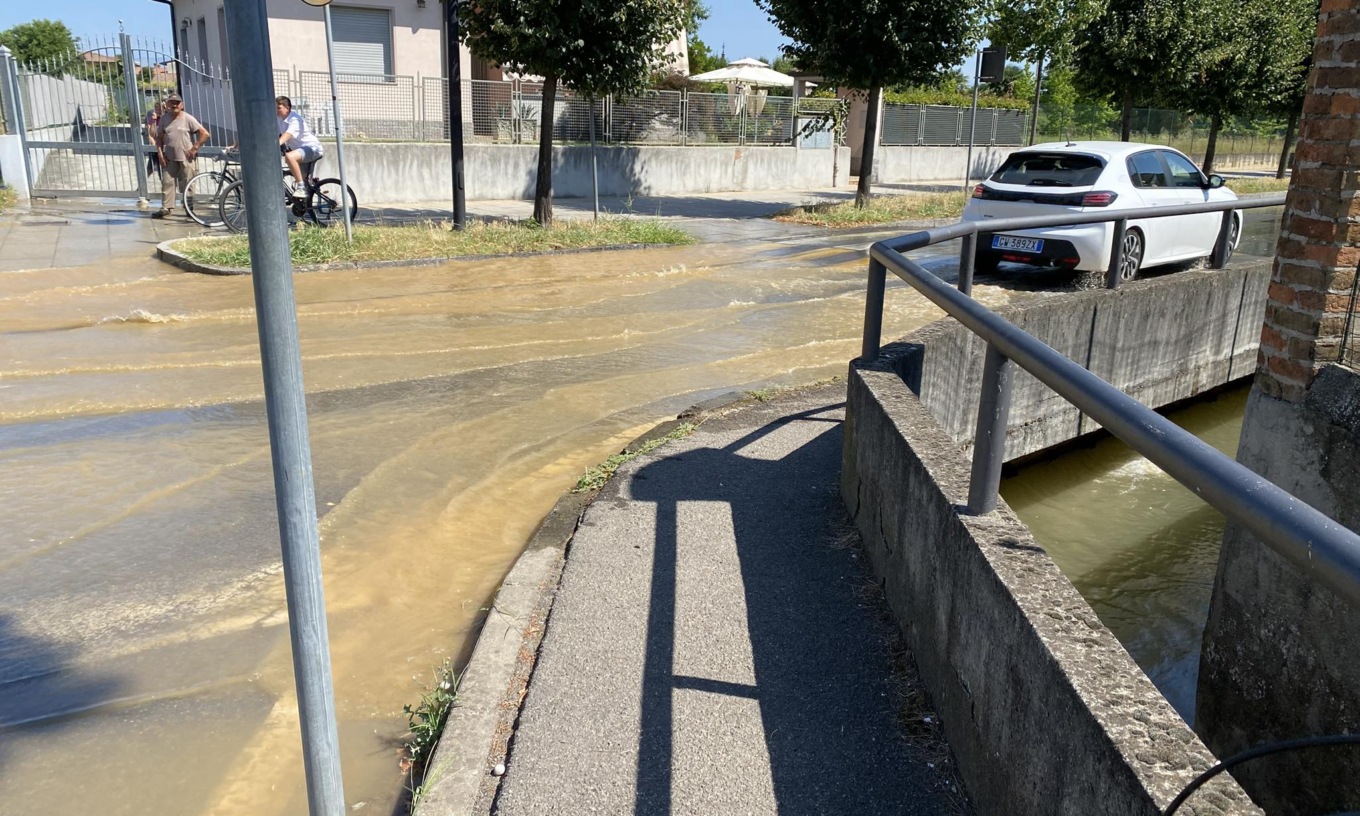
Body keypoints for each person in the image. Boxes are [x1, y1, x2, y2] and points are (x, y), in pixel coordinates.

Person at [151, 93, 210, 219]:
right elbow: (159, 138)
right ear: (167, 105)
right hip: (169, 157)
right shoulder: (164, 119)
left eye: (177, 103)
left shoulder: (188, 118)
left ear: (181, 105)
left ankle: (189, 209)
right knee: (167, 182)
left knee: (188, 184)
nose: (174, 105)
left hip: (186, 158)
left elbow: (205, 134)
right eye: (171, 102)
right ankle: (166, 208)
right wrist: (160, 154)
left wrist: (194, 148)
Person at [276, 96, 324, 196]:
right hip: (298, 150)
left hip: (312, 148)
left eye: (278, 107)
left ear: (287, 108)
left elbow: (287, 135)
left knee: (290, 157)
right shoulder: (279, 120)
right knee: (296, 170)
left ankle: (301, 188)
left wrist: (275, 145)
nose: (276, 110)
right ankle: (304, 194)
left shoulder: (295, 119)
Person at [144, 99, 163, 178]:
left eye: (161, 109)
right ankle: (141, 187)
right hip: (154, 146)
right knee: (150, 166)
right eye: (157, 108)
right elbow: (147, 131)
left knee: (163, 170)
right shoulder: (151, 116)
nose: (158, 111)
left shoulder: (166, 117)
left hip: (164, 146)